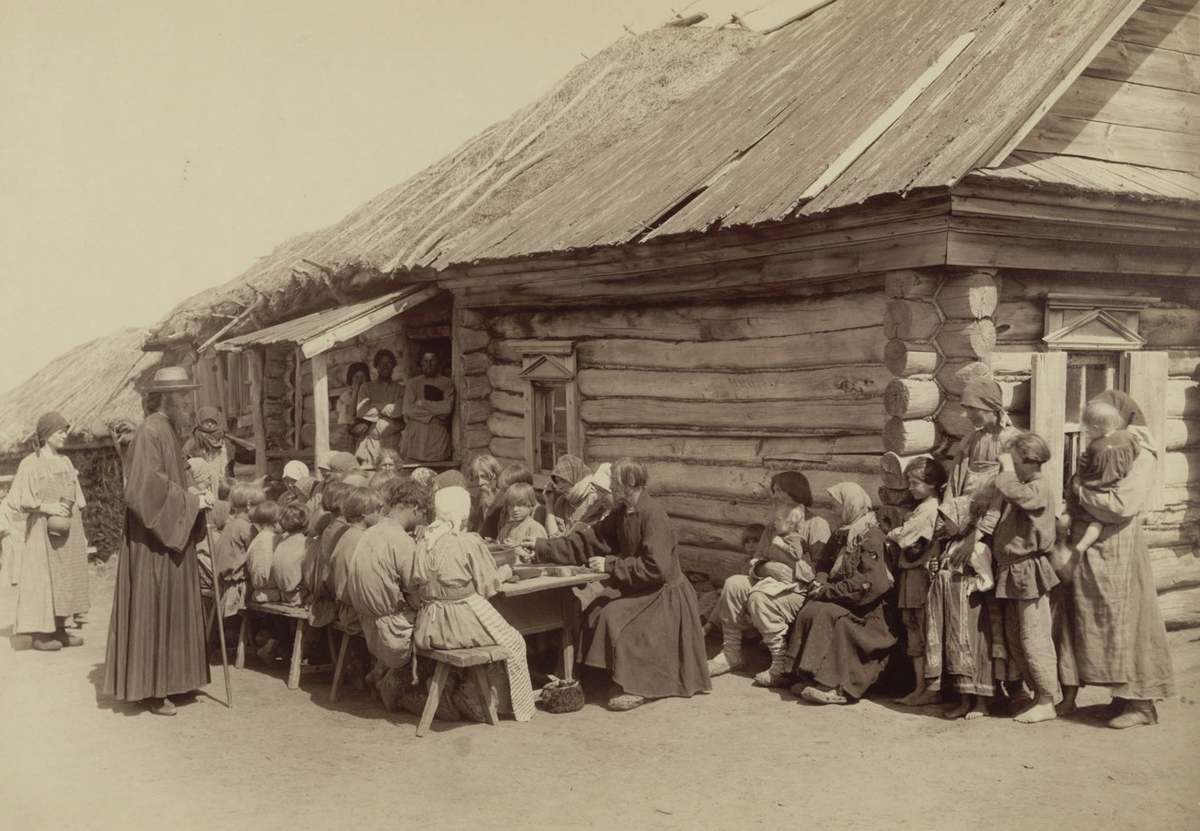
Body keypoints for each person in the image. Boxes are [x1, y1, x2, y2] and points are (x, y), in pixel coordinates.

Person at [530, 458, 710, 711]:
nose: (611, 487)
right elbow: (589, 541)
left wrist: (610, 565)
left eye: (615, 482)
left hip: (663, 595)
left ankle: (637, 687)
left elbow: (655, 568)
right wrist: (542, 547)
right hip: (638, 586)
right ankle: (605, 679)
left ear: (631, 483)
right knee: (593, 611)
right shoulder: (622, 512)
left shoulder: (653, 516)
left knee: (614, 618)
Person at [1056, 389, 1175, 729]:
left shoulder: (1141, 455)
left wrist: (1079, 491)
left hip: (1119, 547)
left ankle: (1141, 703)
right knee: (1084, 618)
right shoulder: (1103, 448)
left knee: (1126, 621)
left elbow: (1122, 506)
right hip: (1088, 545)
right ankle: (1115, 698)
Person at [103, 366, 214, 716]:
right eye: (182, 395)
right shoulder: (149, 431)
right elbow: (142, 491)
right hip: (153, 540)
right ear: (164, 397)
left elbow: (171, 479)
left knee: (175, 606)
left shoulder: (168, 430)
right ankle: (151, 689)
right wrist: (193, 503)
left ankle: (175, 680)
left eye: (188, 394)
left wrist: (193, 492)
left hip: (172, 535)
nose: (188, 401)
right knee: (155, 605)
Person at [412, 486, 535, 722]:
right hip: (459, 625)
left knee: (497, 634)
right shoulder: (468, 541)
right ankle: (482, 698)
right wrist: (506, 571)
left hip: (430, 625)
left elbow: (417, 584)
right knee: (515, 641)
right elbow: (488, 587)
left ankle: (455, 688)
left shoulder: (424, 541)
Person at [710, 471, 831, 688]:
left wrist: (789, 564)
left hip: (799, 591)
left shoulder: (817, 524)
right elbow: (754, 560)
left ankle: (780, 663)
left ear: (794, 493)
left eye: (778, 491)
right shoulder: (774, 524)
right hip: (769, 582)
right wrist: (767, 568)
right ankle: (731, 653)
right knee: (733, 584)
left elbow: (819, 569)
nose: (773, 496)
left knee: (758, 597)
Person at [786, 483, 895, 706]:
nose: (832, 511)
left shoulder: (872, 538)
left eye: (836, 506)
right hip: (843, 597)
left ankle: (835, 686)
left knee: (829, 615)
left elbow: (869, 584)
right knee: (811, 609)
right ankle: (804, 675)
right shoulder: (840, 535)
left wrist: (827, 592)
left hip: (869, 609)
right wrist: (820, 583)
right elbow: (825, 565)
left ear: (850, 506)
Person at [993, 432, 1061, 724]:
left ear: (1028, 461)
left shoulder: (1037, 487)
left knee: (1033, 636)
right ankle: (1038, 694)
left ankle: (1047, 699)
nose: (1012, 467)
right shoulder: (1027, 484)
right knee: (1016, 636)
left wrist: (1006, 467)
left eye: (1016, 461)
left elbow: (1015, 493)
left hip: (1027, 571)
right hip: (1013, 570)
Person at [9, 411, 90, 651]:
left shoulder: (65, 462)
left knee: (66, 577)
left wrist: (77, 523)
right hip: (42, 531)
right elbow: (19, 499)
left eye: (65, 430)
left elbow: (78, 497)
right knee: (43, 580)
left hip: (68, 529)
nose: (64, 435)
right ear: (45, 436)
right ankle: (40, 635)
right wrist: (47, 507)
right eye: (59, 431)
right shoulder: (30, 463)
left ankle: (61, 629)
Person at [347, 477, 428, 710]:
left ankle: (379, 670)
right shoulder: (401, 540)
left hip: (369, 620)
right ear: (414, 508)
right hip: (391, 626)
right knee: (441, 619)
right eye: (422, 512)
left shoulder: (372, 532)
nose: (422, 518)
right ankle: (411, 687)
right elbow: (414, 593)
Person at [922, 496, 995, 719]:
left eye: (949, 520)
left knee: (972, 651)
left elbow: (987, 580)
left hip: (968, 611)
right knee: (954, 653)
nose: (945, 525)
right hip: (950, 609)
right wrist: (936, 569)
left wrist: (966, 586)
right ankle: (964, 701)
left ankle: (981, 704)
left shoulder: (978, 548)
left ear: (964, 520)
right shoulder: (951, 545)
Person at [886, 457, 947, 706]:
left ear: (931, 484)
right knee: (913, 629)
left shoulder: (930, 508)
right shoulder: (921, 507)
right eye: (909, 481)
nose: (910, 487)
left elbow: (904, 538)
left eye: (915, 482)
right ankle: (920, 687)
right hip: (910, 576)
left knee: (923, 629)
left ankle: (930, 689)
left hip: (921, 577)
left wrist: (891, 532)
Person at [1064, 400, 1139, 565]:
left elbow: (1093, 470)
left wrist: (1082, 474)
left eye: (1089, 430)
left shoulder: (1098, 446)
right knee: (1097, 521)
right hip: (1115, 481)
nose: (1088, 433)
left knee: (1095, 519)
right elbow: (1136, 451)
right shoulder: (1127, 437)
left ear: (1097, 428)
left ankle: (1082, 544)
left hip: (1100, 485)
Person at [213, 482, 264, 618]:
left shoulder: (228, 526)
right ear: (249, 505)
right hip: (240, 586)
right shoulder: (248, 529)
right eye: (258, 507)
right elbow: (257, 556)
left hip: (225, 585)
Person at [182, 406, 254, 495]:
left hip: (225, 488)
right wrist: (193, 487)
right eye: (206, 422)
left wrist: (265, 449)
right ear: (200, 422)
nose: (209, 424)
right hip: (203, 489)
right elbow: (183, 466)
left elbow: (245, 456)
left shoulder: (226, 443)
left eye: (212, 422)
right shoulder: (191, 444)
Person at [400, 351, 454, 463]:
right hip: (416, 438)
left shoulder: (447, 383)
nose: (428, 364)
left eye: (432, 361)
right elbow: (408, 409)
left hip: (437, 438)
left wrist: (422, 403)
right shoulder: (413, 384)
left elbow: (446, 408)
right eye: (425, 361)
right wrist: (434, 415)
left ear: (438, 362)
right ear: (420, 363)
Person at [354, 350, 404, 470]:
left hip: (393, 442)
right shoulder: (366, 387)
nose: (385, 367)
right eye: (381, 363)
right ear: (376, 366)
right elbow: (362, 411)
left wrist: (375, 404)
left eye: (388, 363)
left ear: (394, 366)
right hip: (372, 443)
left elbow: (398, 411)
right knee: (371, 477)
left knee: (393, 475)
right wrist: (388, 407)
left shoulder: (401, 389)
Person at [267, 504, 310, 607]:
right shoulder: (307, 542)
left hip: (282, 594)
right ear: (306, 522)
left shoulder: (281, 541)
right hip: (298, 596)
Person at [543, 455, 594, 538]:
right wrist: (549, 503)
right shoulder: (563, 502)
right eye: (557, 482)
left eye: (563, 481)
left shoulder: (594, 498)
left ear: (577, 477)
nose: (559, 487)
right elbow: (553, 537)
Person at [245, 500, 282, 603]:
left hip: (257, 590)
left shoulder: (257, 539)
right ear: (275, 522)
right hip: (269, 592)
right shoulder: (273, 539)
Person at [497, 482, 546, 551]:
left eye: (520, 505)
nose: (515, 509)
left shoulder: (535, 528)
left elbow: (538, 553)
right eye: (511, 505)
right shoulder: (506, 528)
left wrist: (515, 548)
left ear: (531, 506)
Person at [335, 361, 370, 452]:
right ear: (351, 378)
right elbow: (351, 413)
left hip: (367, 431)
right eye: (356, 377)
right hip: (350, 432)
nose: (360, 380)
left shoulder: (370, 393)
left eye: (363, 376)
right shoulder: (346, 395)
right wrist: (355, 392)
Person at [466, 453, 502, 535]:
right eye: (477, 478)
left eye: (483, 476)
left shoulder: (503, 499)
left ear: (494, 475)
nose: (480, 483)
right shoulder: (480, 498)